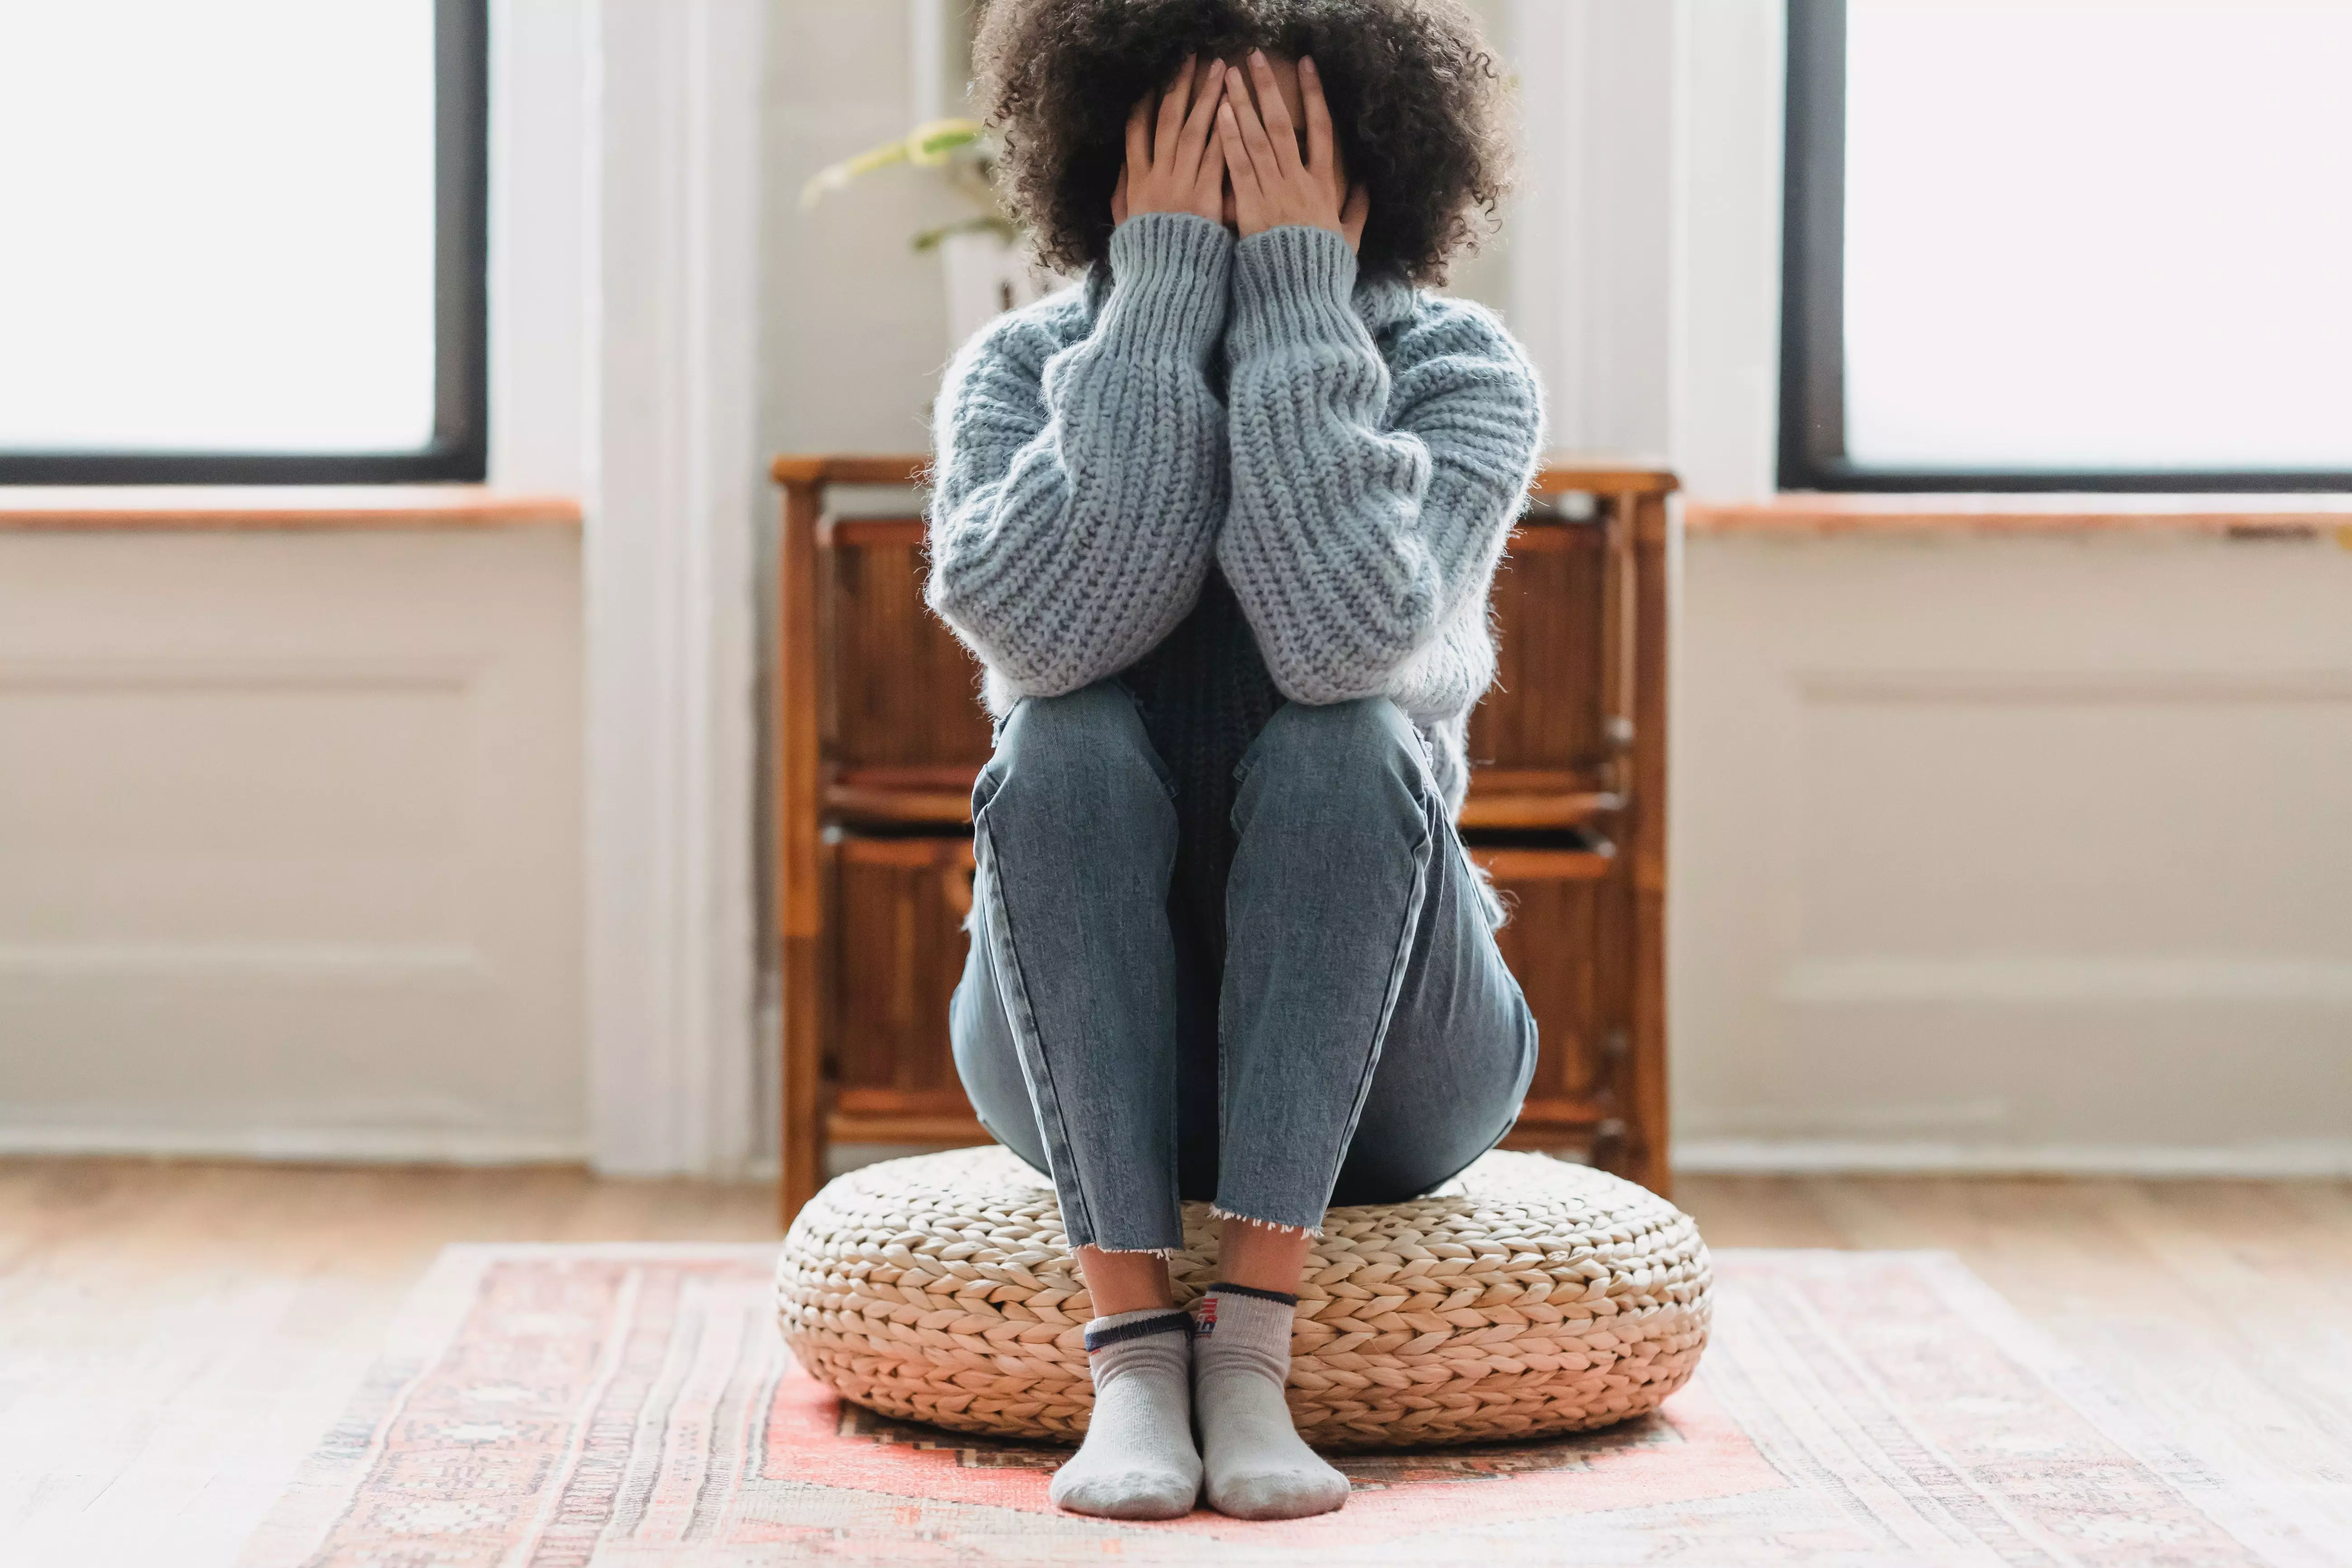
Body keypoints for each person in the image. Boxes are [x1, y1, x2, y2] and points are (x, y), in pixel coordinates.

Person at [927, 0, 1541, 1523]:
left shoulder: (1456, 369)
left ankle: (1251, 1347)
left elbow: (1343, 644)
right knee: (1060, 739)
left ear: (1370, 157)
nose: (1232, 165)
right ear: (1107, 150)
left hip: (1397, 1064)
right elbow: (1053, 637)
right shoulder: (1020, 369)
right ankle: (1134, 1347)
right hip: (1070, 1045)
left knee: (1343, 739)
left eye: (1279, 139)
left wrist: (1293, 303)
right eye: (1191, 131)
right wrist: (1154, 311)